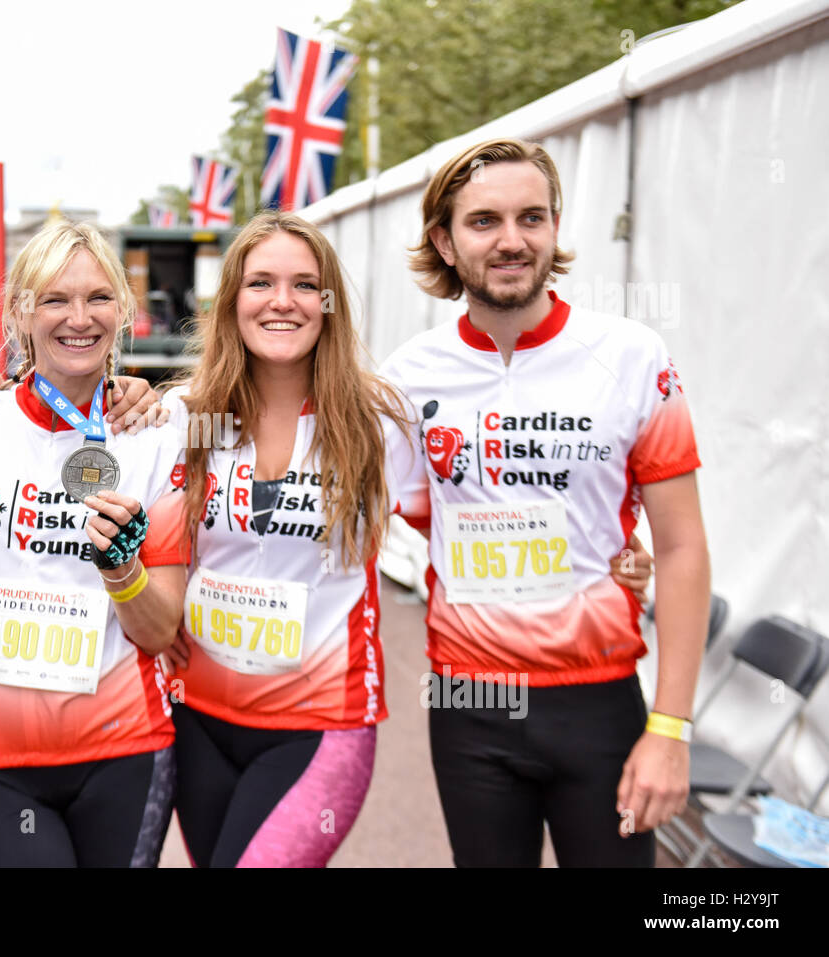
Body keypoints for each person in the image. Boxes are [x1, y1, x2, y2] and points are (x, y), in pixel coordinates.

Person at [382, 138, 710, 866]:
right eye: (484, 221)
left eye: (532, 218)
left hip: (598, 702)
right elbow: (396, 510)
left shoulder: (632, 355)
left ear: (556, 227)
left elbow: (683, 548)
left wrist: (672, 728)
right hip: (470, 706)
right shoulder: (407, 377)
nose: (511, 240)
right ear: (444, 238)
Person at [157, 212, 417, 867]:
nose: (282, 301)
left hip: (319, 721)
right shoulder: (185, 417)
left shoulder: (379, 420)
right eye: (260, 282)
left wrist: (624, 560)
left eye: (304, 285)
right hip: (197, 717)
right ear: (232, 302)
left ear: (328, 304)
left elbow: (468, 512)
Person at [0, 220, 189, 867]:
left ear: (125, 309)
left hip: (123, 745)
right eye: (55, 299)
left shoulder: (155, 434)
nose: (79, 317)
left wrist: (123, 570)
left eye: (99, 297)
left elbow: (161, 631)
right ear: (21, 311)